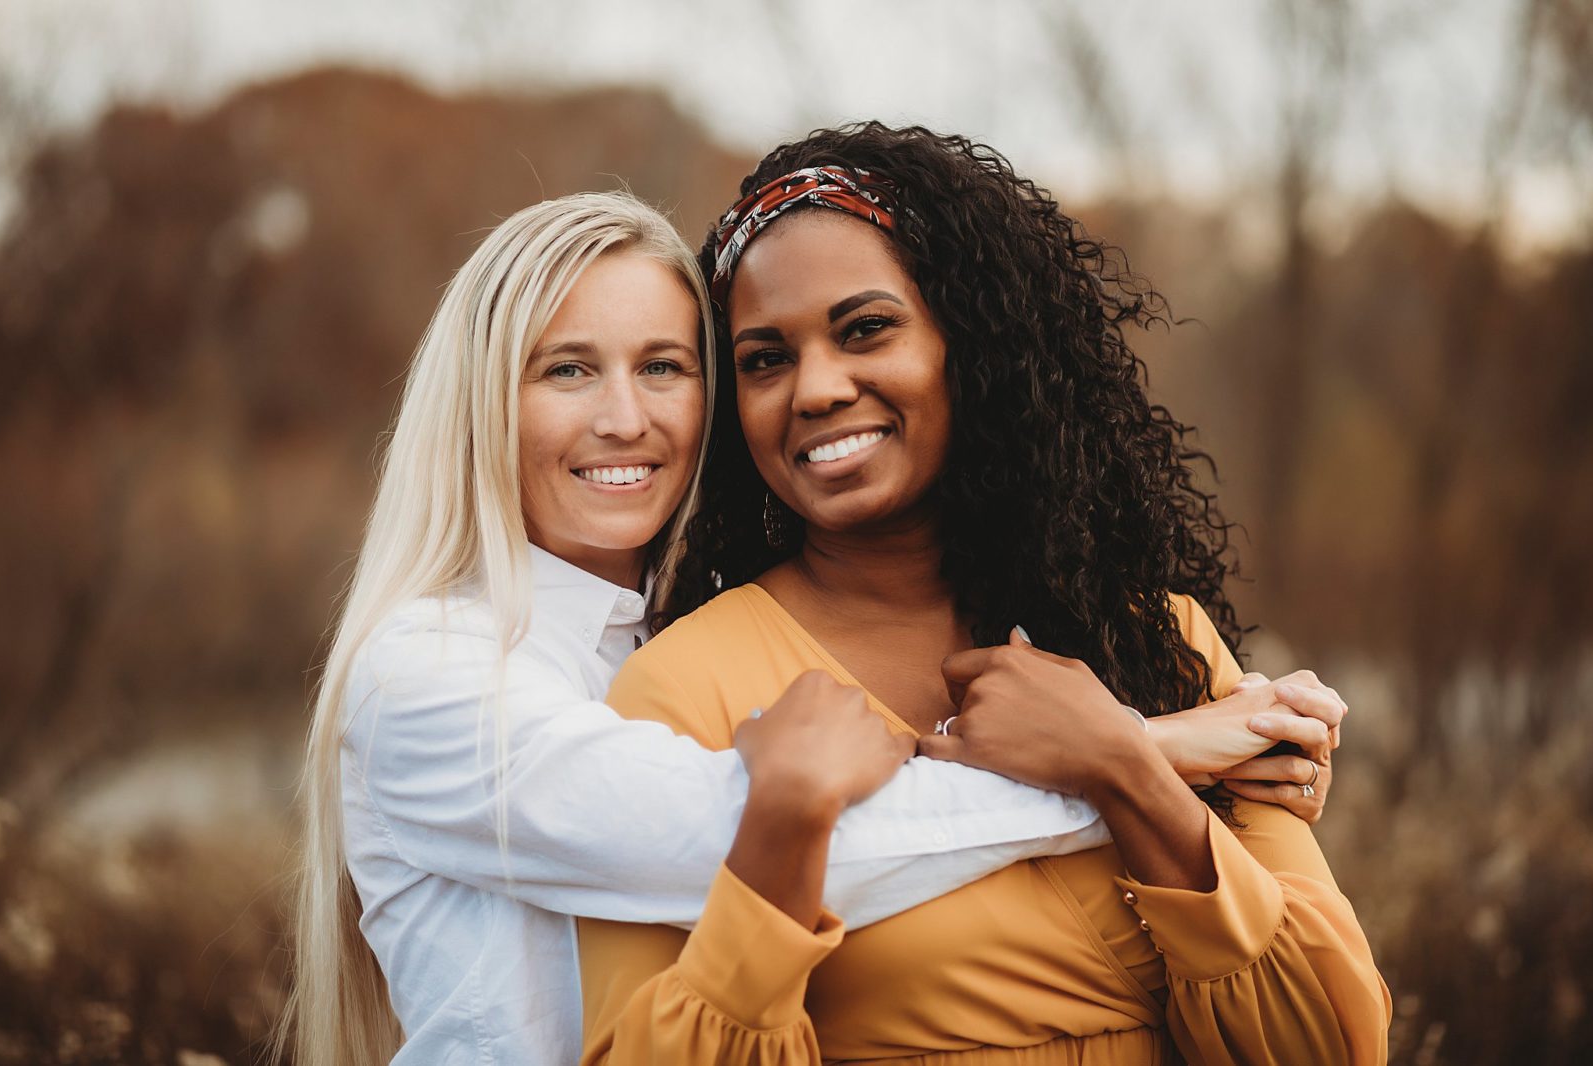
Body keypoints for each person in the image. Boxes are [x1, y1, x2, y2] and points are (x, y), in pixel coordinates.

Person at [280, 191, 1347, 1066]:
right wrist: (1145, 755)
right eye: (568, 368)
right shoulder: (431, 671)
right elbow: (720, 835)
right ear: (478, 402)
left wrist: (1138, 764)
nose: (625, 418)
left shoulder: (658, 635)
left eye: (664, 366)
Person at [578, 126, 1389, 1064]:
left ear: (974, 342)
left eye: (865, 329)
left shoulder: (1150, 636)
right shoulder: (682, 691)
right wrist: (783, 835)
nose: (817, 389)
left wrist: (1125, 770)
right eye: (766, 358)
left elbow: (1337, 1044)